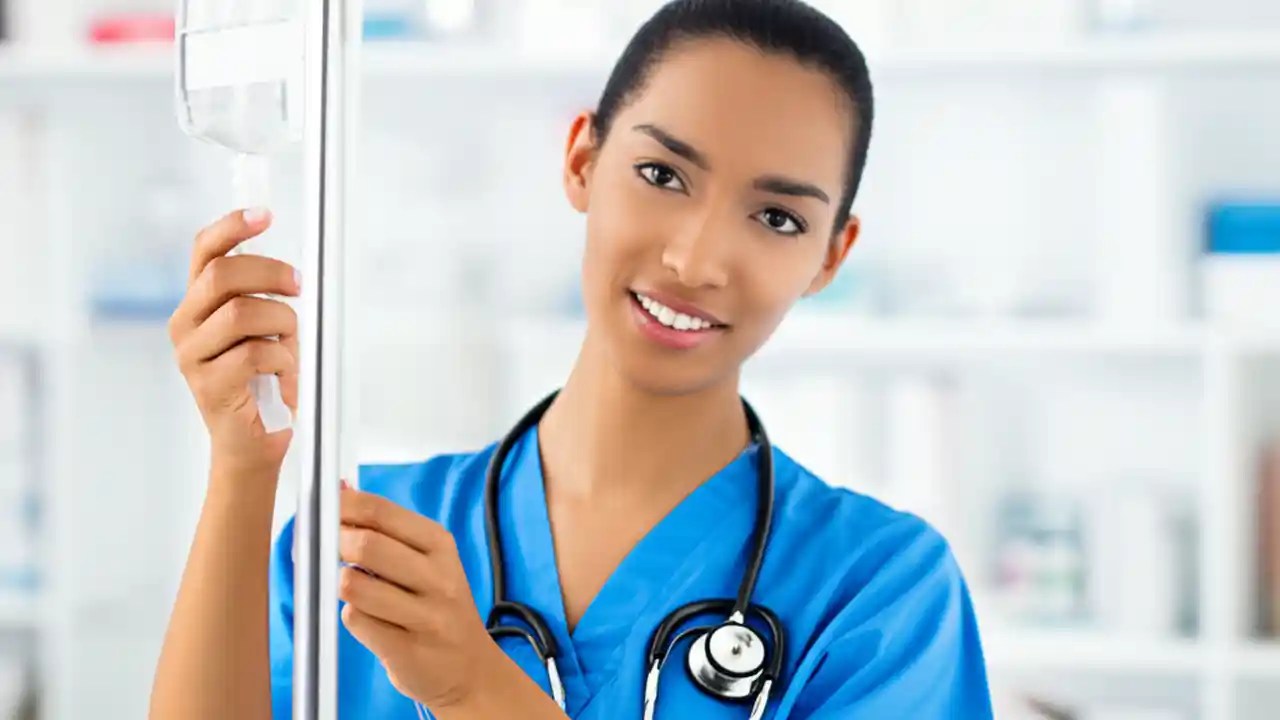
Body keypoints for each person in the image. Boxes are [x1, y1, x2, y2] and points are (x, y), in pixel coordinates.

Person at [149, 0, 993, 718]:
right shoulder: (360, 545)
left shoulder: (880, 594)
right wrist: (240, 469)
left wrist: (477, 688)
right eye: (663, 174)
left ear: (830, 257)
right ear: (582, 158)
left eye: (777, 219)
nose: (696, 261)